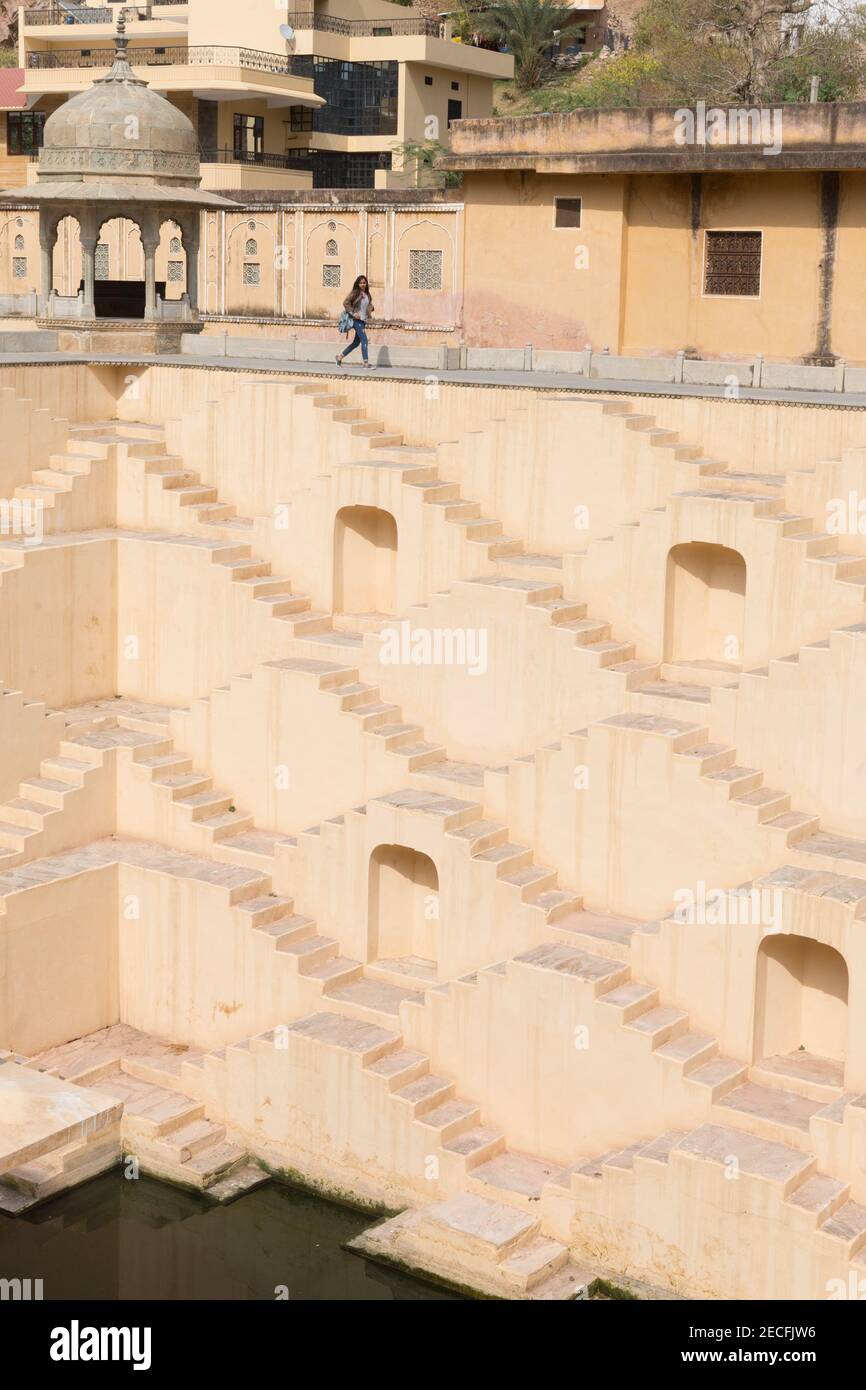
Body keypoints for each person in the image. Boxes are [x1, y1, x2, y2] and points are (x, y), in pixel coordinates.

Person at [336, 275, 374, 368]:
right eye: (361, 283)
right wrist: (353, 313)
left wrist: (371, 308)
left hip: (363, 321)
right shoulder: (355, 293)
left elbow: (367, 305)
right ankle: (366, 363)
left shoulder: (367, 294)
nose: (363, 284)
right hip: (357, 320)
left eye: (364, 283)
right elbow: (345, 303)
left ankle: (339, 357)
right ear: (358, 284)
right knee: (364, 340)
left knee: (356, 343)